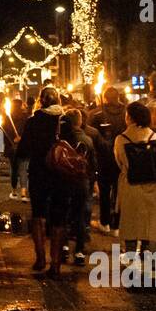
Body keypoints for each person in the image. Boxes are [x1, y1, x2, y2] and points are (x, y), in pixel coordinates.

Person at [21, 86, 84, 277]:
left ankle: (40, 258)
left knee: (38, 215)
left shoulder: (33, 121)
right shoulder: (64, 122)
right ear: (58, 100)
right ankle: (55, 264)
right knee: (59, 218)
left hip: (39, 174)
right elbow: (72, 148)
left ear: (41, 100)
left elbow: (23, 150)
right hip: (61, 176)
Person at [115, 101, 156, 265]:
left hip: (130, 186)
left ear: (130, 118)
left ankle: (130, 256)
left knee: (131, 223)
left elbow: (119, 162)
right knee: (151, 223)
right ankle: (149, 256)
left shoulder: (121, 139)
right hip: (154, 187)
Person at [60, 108, 97, 266]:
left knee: (63, 215)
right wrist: (93, 182)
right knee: (80, 216)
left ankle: (64, 247)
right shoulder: (87, 140)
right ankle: (80, 251)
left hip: (64, 181)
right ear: (80, 121)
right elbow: (93, 165)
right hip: (81, 182)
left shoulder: (60, 140)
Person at [88, 86, 127, 234]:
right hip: (121, 158)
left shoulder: (97, 114)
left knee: (104, 191)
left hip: (103, 158)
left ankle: (105, 222)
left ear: (105, 98)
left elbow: (91, 133)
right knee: (118, 191)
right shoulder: (126, 113)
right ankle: (116, 224)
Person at [7, 97, 30, 200]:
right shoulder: (26, 118)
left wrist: (14, 139)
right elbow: (29, 131)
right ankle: (24, 193)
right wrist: (22, 138)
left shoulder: (8, 118)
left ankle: (14, 191)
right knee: (23, 169)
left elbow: (5, 132)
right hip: (24, 147)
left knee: (14, 169)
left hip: (13, 148)